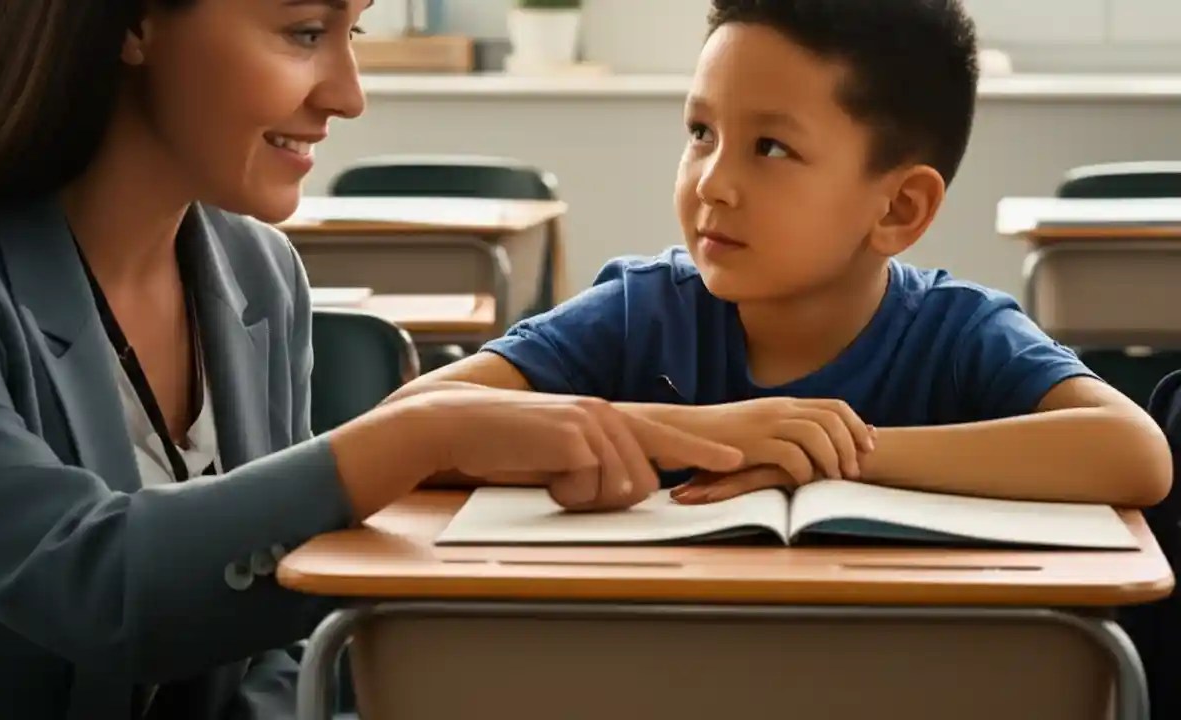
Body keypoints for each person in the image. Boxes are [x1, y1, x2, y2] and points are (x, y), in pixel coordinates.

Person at [0, 2, 746, 718]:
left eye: (357, 34)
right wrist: (421, 434)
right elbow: (90, 585)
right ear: (131, 23)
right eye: (305, 32)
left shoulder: (258, 274)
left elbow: (273, 642)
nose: (347, 95)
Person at [391, 0, 1172, 507]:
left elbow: (1134, 453)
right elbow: (403, 429)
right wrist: (674, 432)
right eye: (701, 133)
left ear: (898, 208)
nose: (714, 183)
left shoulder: (954, 333)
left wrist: (839, 456)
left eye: (769, 147)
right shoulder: (641, 311)